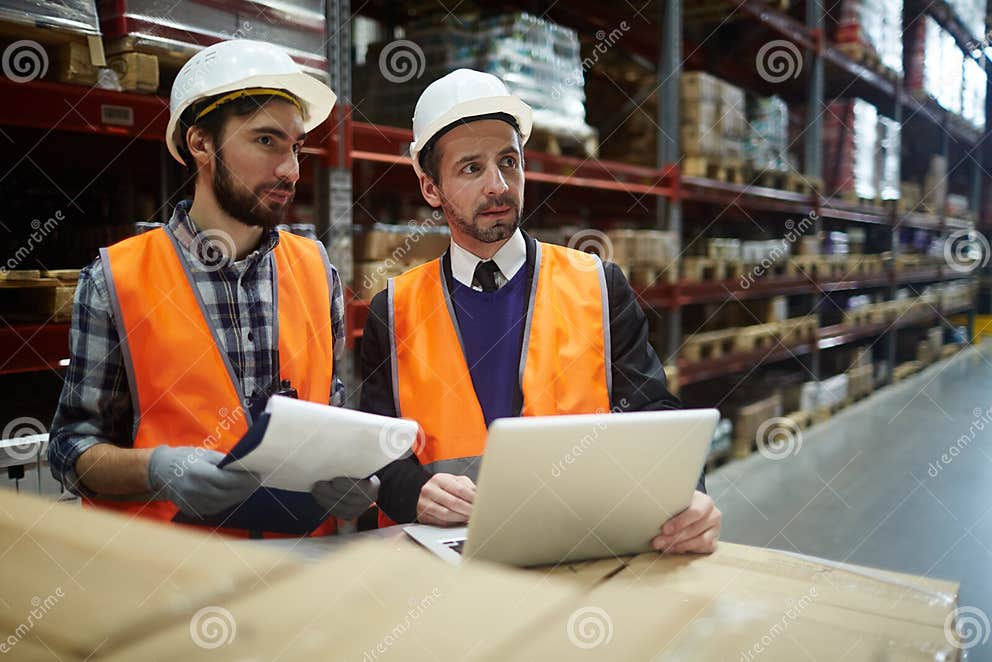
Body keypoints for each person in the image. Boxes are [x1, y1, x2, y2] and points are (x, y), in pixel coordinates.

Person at [361, 69, 721, 555]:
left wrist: (691, 495)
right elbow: (378, 449)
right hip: (445, 567)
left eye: (509, 162)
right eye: (471, 168)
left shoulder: (598, 285)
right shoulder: (395, 309)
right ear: (430, 188)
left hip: (582, 553)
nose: (498, 186)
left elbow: (653, 412)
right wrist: (413, 492)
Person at [48, 40, 376, 537]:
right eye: (266, 141)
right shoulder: (116, 280)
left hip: (299, 575)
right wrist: (155, 472)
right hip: (169, 579)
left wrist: (350, 478)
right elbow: (71, 450)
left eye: (295, 147)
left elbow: (332, 418)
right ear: (201, 145)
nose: (290, 170)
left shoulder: (317, 271)